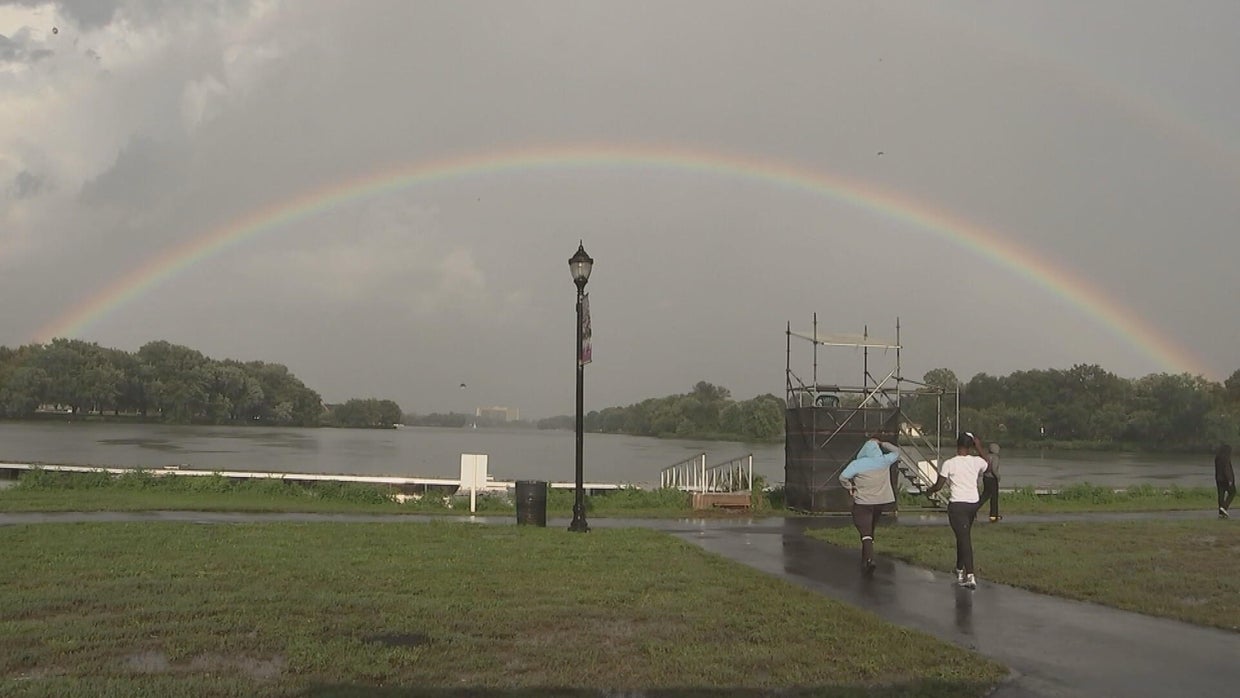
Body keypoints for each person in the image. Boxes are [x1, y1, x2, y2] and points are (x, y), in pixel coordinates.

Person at [925, 432, 993, 589]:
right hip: (972, 504)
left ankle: (970, 575)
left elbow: (939, 485)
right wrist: (979, 446)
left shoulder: (950, 463)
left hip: (957, 505)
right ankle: (959, 569)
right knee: (962, 537)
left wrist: (930, 491)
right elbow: (988, 464)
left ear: (957, 445)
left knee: (964, 539)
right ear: (970, 446)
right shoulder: (977, 461)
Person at [839, 437, 902, 572]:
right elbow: (897, 451)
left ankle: (869, 559)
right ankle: (865, 558)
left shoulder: (857, 464)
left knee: (865, 531)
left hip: (863, 502)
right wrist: (882, 443)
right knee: (870, 529)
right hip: (880, 502)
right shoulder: (885, 461)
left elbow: (842, 477)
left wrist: (850, 487)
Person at [975, 442, 1002, 522]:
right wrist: (998, 476)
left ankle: (974, 509)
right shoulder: (995, 457)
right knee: (994, 498)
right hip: (992, 479)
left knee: (985, 496)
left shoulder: (986, 457)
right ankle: (993, 515)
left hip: (985, 478)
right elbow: (994, 469)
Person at [1216, 443, 1234, 519]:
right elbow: (1227, 470)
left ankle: (1221, 513)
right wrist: (1230, 479)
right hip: (1225, 479)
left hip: (1218, 479)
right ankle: (1224, 507)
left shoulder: (1217, 458)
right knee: (1232, 492)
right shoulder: (1226, 458)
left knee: (1221, 495)